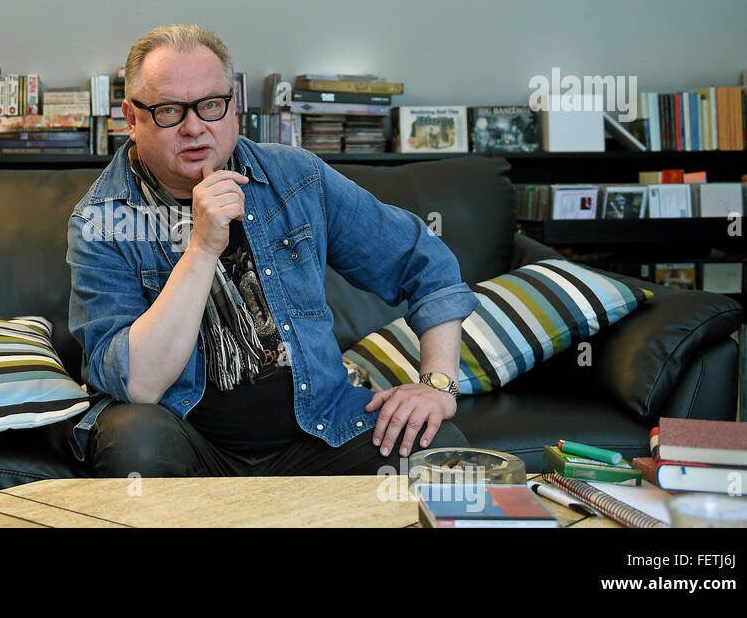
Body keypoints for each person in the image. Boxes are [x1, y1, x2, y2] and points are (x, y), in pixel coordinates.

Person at [65, 24, 478, 478]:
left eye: (210, 105)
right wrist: (201, 248)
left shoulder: (296, 179)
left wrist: (438, 385)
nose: (195, 127)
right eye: (168, 111)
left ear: (233, 107)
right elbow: (138, 382)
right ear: (130, 117)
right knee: (134, 439)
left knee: (441, 451)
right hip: (191, 444)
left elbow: (425, 261)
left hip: (319, 435)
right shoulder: (101, 223)